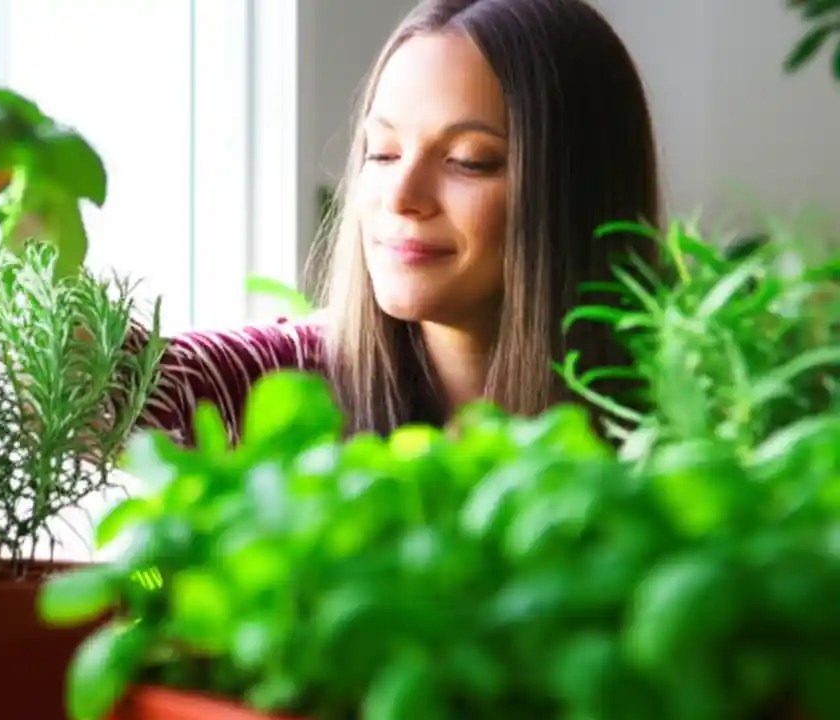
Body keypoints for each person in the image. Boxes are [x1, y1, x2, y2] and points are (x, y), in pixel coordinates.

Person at [137, 0, 661, 447]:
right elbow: (133, 383)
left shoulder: (681, 412)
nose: (401, 197)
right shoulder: (287, 378)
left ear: (575, 189)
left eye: (469, 160)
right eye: (383, 153)